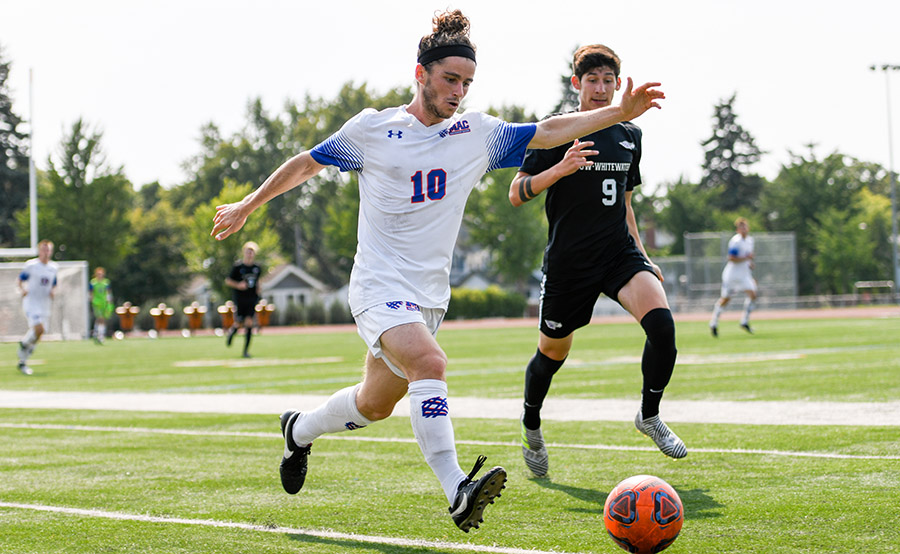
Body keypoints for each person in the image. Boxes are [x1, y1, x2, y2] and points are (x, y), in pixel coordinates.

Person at [210, 10, 664, 532]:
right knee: (430, 363)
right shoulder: (373, 129)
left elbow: (547, 132)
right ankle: (457, 490)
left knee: (374, 404)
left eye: (467, 83)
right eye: (450, 79)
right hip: (378, 284)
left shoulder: (475, 133)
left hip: (428, 297)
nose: (458, 92)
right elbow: (308, 162)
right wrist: (248, 203)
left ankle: (299, 431)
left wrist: (618, 113)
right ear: (420, 73)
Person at [508, 44, 686, 478]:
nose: (601, 89)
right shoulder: (557, 130)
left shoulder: (630, 135)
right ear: (577, 83)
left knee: (663, 327)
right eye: (593, 80)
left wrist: (644, 257)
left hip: (618, 254)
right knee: (552, 354)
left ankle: (649, 415)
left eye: (608, 81)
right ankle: (531, 424)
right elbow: (516, 192)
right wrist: (560, 169)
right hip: (569, 263)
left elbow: (625, 204)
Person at [15, 239, 59, 375]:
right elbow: (20, 279)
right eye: (44, 249)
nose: (46, 252)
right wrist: (22, 290)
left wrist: (53, 291)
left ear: (51, 252)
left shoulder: (53, 267)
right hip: (31, 303)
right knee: (39, 329)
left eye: (48, 250)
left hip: (45, 304)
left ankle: (23, 359)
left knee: (39, 334)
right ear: (39, 251)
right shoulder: (31, 265)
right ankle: (24, 344)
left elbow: (54, 283)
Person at [709, 217, 757, 337]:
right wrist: (746, 258)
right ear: (737, 230)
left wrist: (750, 263)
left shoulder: (750, 240)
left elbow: (748, 257)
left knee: (753, 294)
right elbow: (732, 258)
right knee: (726, 299)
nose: (743, 229)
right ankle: (713, 322)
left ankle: (744, 321)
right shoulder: (736, 241)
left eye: (745, 226)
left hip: (744, 275)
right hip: (732, 276)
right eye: (741, 227)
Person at [225, 241, 263, 358]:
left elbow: (258, 282)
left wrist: (259, 290)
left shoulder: (257, 268)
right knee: (239, 322)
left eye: (252, 252)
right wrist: (238, 285)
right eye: (248, 251)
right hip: (240, 298)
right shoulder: (238, 267)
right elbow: (228, 281)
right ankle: (232, 332)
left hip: (252, 299)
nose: (249, 254)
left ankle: (245, 351)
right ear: (244, 252)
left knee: (249, 322)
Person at [90, 267, 114, 344]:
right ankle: (100, 336)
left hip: (104, 302)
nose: (100, 275)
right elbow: (91, 292)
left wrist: (109, 300)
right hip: (96, 303)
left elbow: (108, 292)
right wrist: (91, 299)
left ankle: (97, 333)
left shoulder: (106, 282)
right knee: (100, 318)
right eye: (98, 274)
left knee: (102, 319)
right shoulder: (93, 282)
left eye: (101, 274)